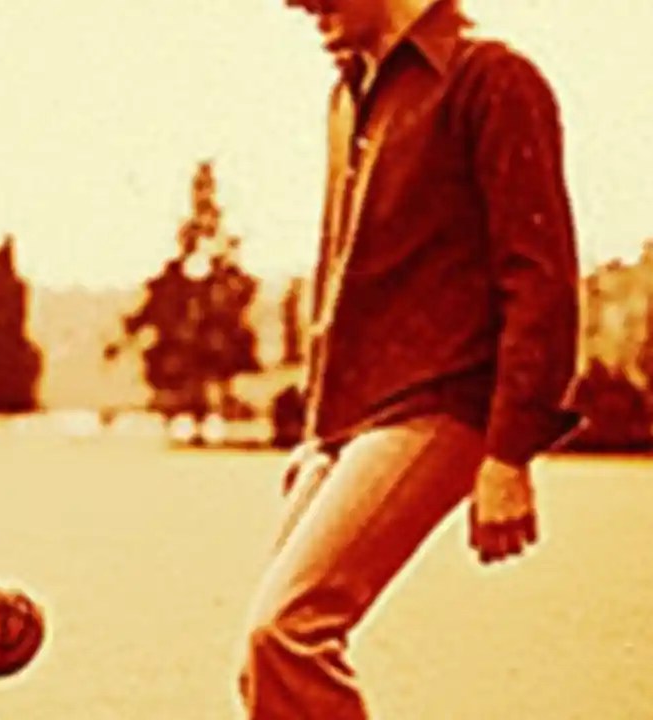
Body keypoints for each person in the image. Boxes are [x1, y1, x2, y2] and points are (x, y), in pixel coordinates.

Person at [237, 0, 584, 717]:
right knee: (261, 658)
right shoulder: (349, 92)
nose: (296, 3)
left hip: (442, 401)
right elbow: (341, 273)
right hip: (345, 422)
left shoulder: (492, 80)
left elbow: (540, 277)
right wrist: (315, 434)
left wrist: (510, 452)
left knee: (288, 635)